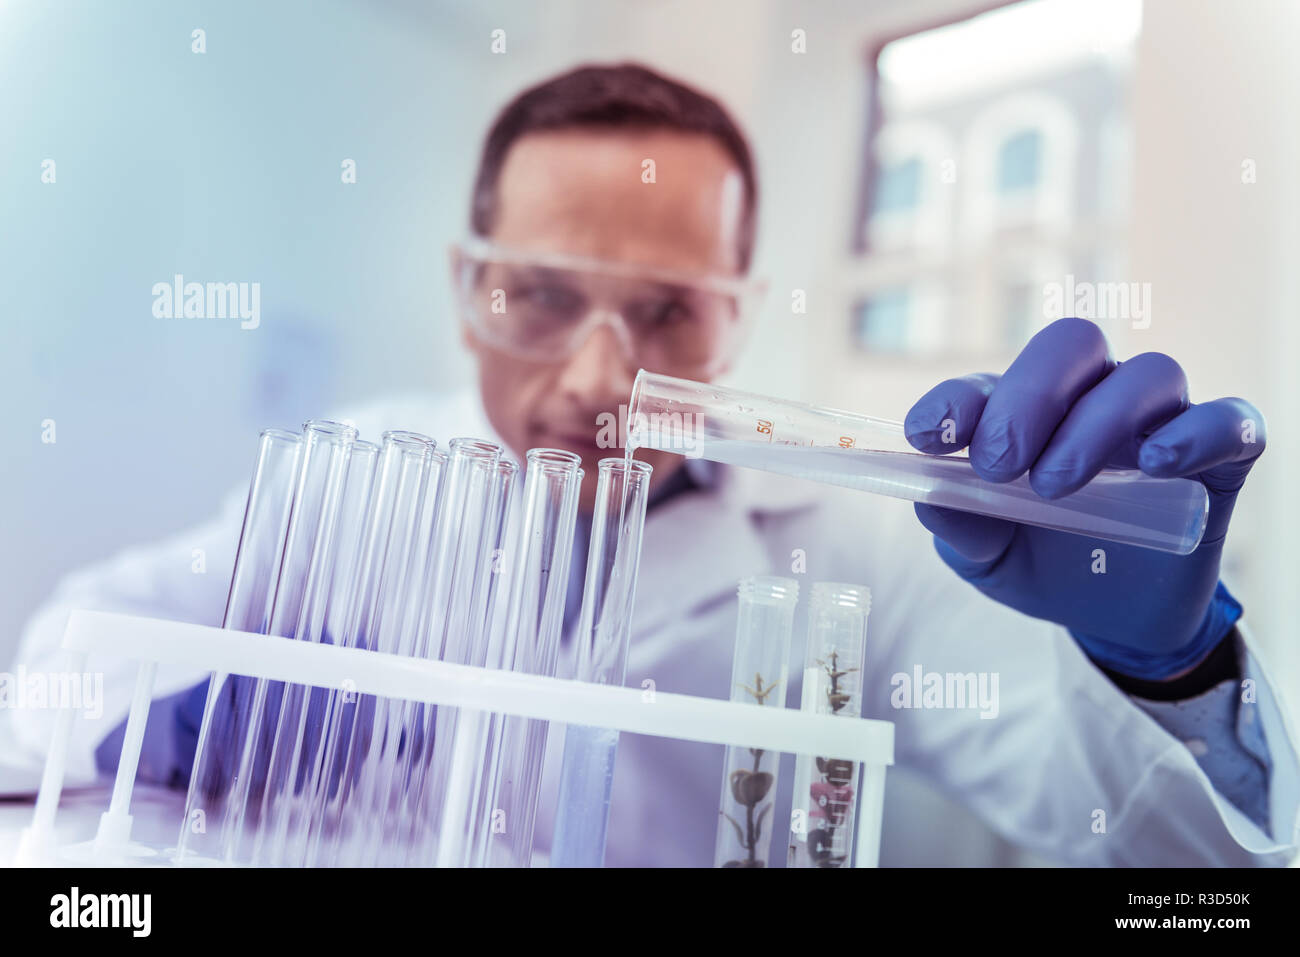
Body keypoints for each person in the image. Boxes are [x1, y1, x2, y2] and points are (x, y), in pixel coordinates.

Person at [10, 63, 1297, 867]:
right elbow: (65, 659)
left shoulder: (853, 554)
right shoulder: (340, 475)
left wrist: (1170, 669)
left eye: (668, 310)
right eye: (539, 298)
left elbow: (1169, 861)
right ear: (467, 294)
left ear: (737, 316)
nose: (594, 380)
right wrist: (159, 712)